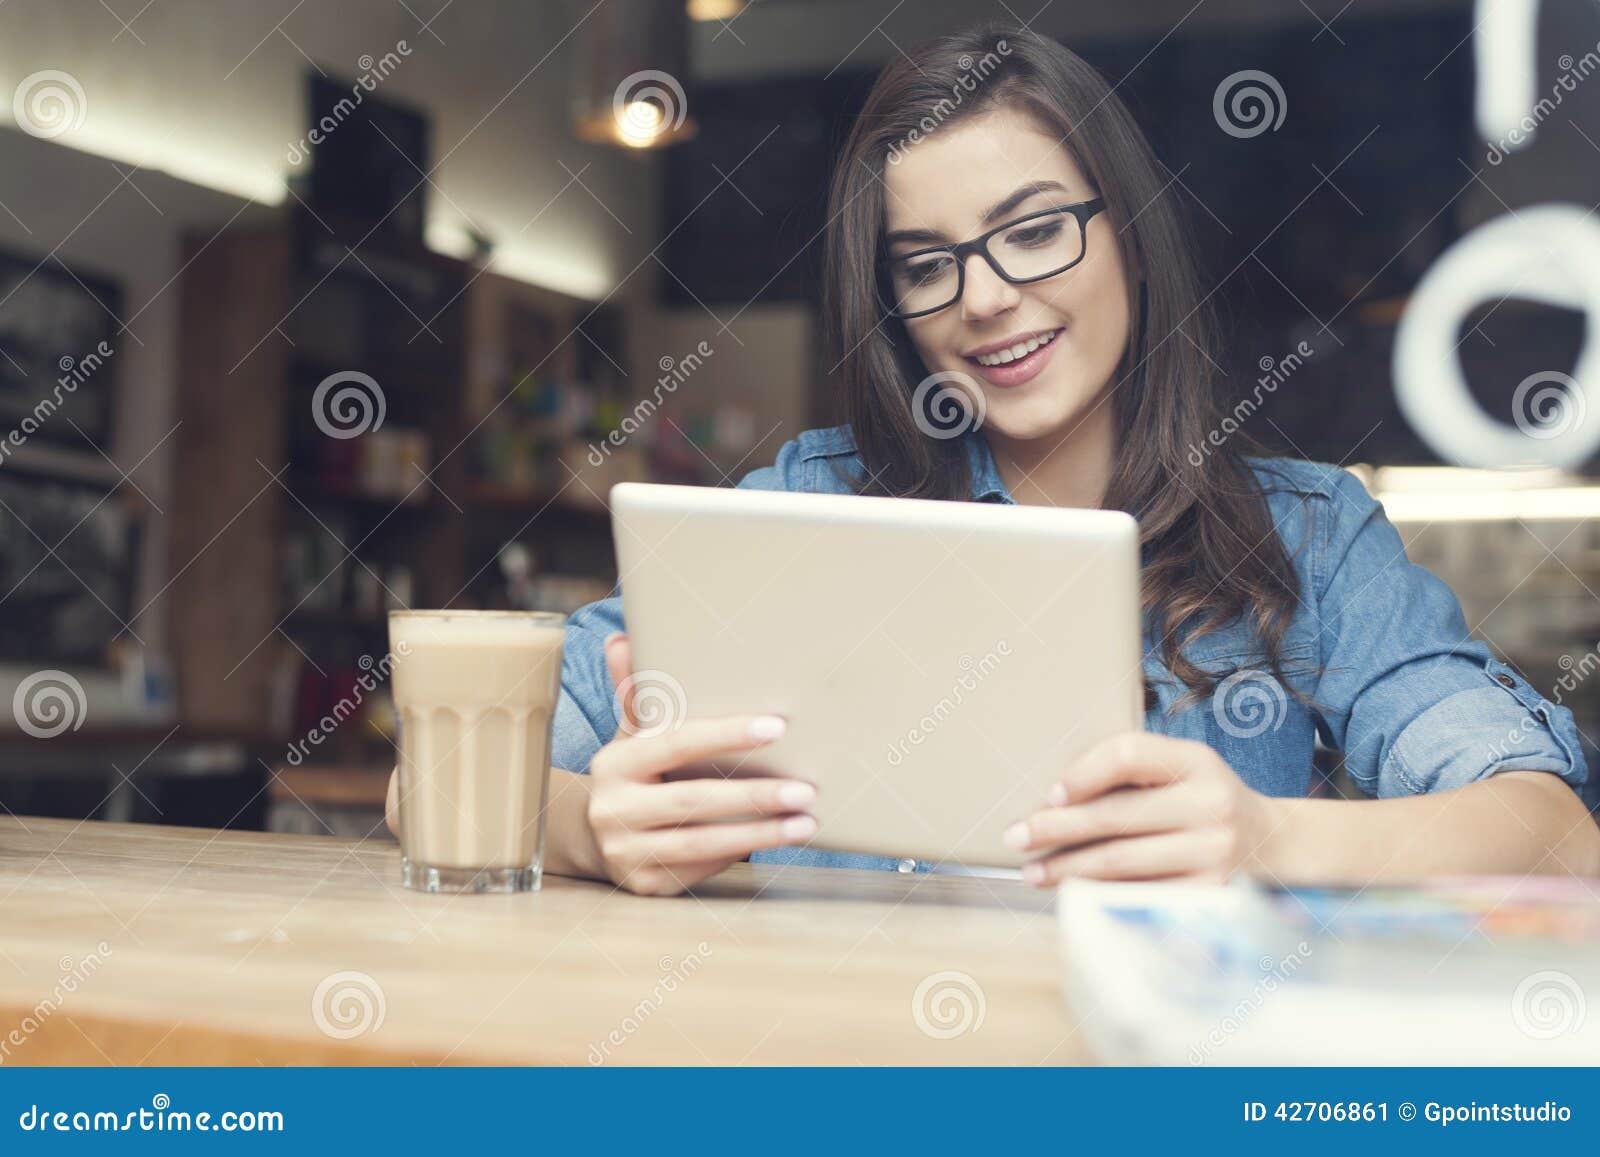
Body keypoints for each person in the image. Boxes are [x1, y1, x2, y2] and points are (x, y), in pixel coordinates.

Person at [389, 22, 1597, 896]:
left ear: (1128, 230)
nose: (986, 298)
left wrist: (1268, 841)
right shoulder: (805, 509)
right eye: (927, 261)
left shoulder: (1312, 537)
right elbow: (422, 792)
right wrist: (596, 827)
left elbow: (1555, 834)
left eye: (1031, 231)